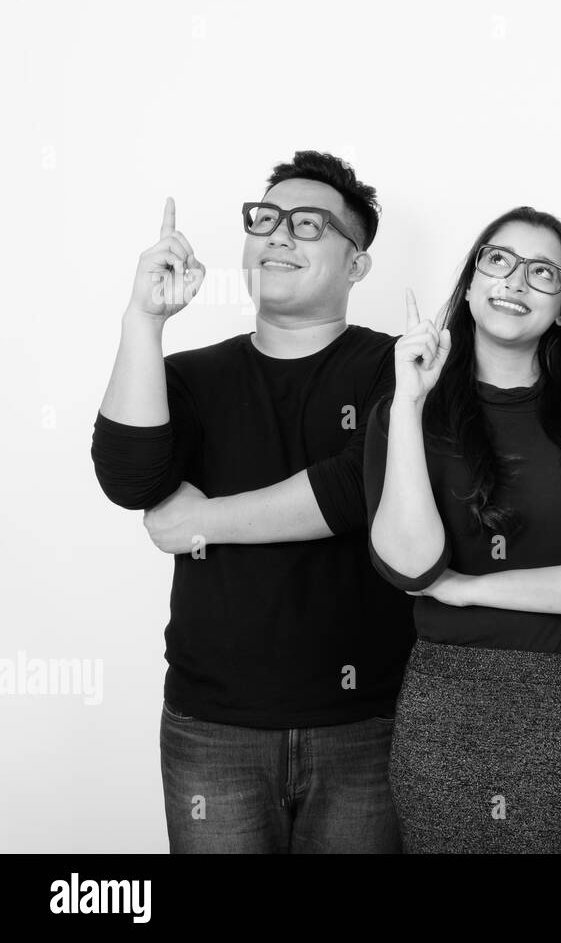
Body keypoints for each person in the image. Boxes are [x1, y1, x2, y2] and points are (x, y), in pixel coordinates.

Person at [90, 151, 413, 853]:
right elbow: (129, 478)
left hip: (366, 724)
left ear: (356, 264)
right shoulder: (193, 374)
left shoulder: (396, 368)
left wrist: (205, 519)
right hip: (213, 728)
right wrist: (144, 321)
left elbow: (360, 485)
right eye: (265, 219)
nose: (278, 235)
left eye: (308, 224)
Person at [365, 206, 561, 854]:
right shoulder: (404, 410)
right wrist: (410, 404)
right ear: (471, 284)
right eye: (497, 260)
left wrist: (471, 589)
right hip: (446, 712)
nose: (514, 280)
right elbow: (412, 568)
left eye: (541, 272)